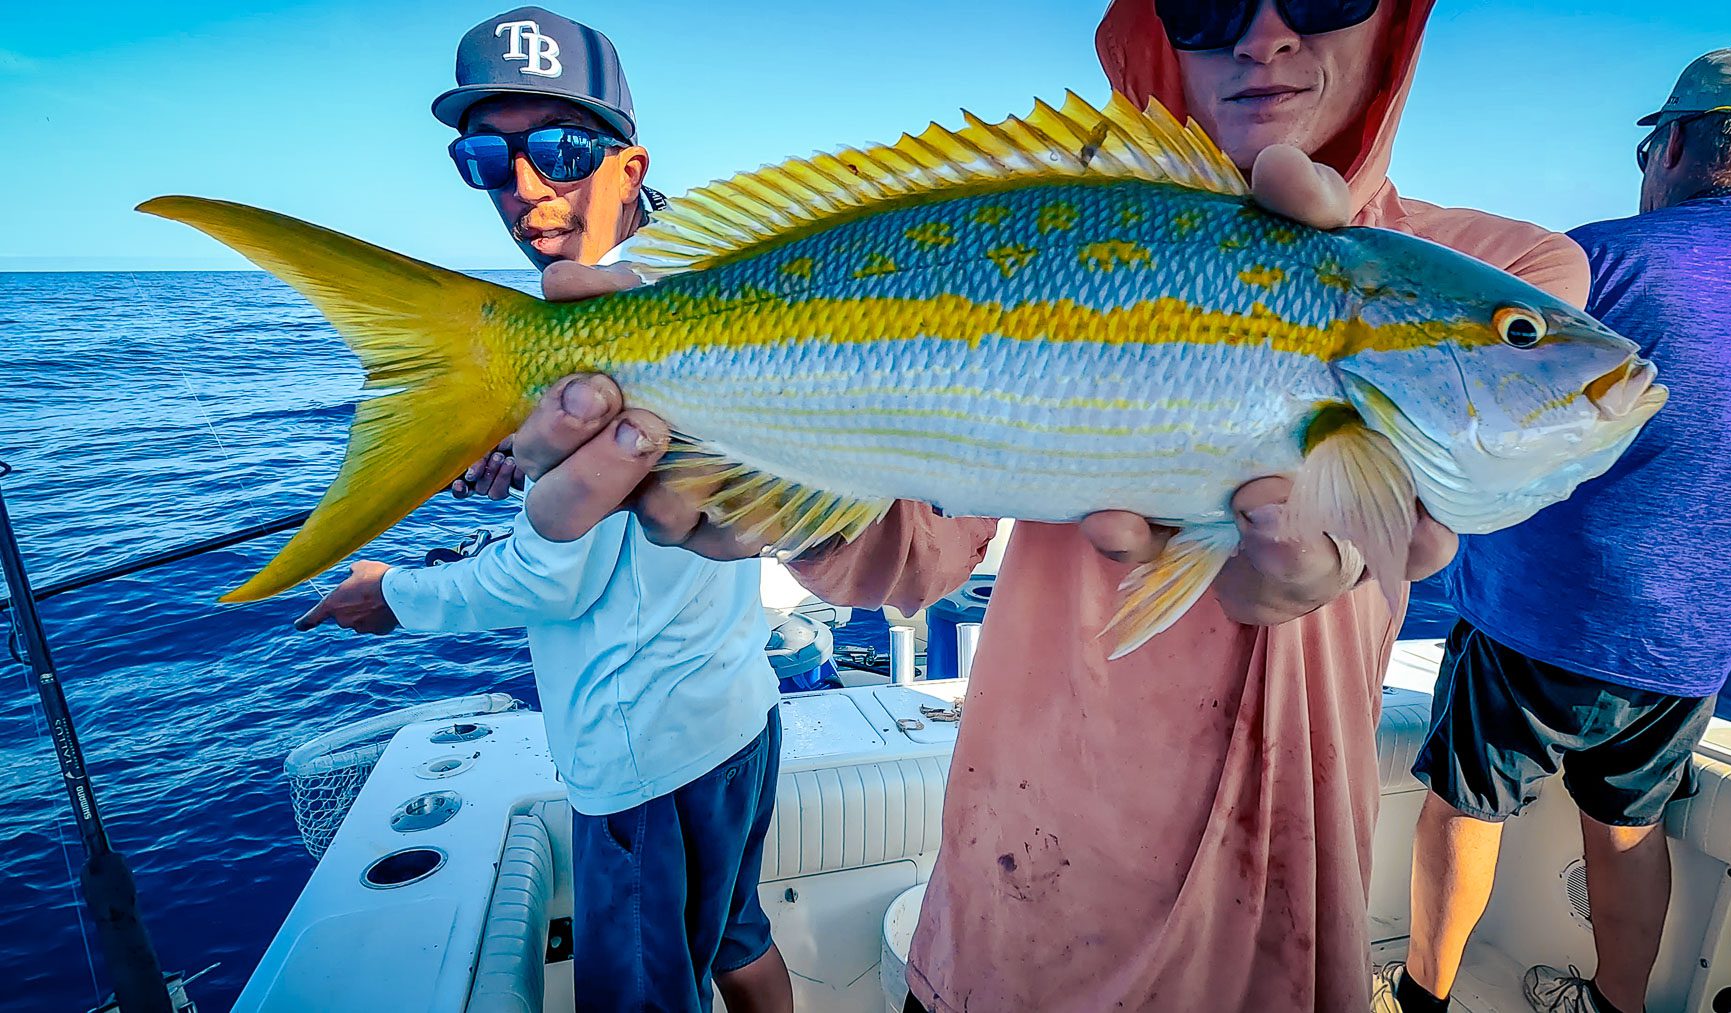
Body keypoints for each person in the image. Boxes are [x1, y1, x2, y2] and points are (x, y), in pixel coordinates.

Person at [511, 0, 1591, 1007]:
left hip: (1292, 922)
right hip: (1016, 900)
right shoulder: (1061, 203)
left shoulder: (1502, 267)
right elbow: (924, 548)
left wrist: (1349, 545)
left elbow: (1419, 480)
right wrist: (790, 492)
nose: (1264, 34)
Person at [295, 8, 793, 1012]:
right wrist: (514, 465)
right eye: (487, 157)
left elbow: (549, 575)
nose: (526, 190)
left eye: (563, 151)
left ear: (626, 161)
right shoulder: (698, 283)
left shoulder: (595, 338)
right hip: (743, 712)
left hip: (644, 761)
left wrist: (392, 594)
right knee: (739, 933)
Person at [1389, 44, 1731, 1013]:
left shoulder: (1600, 260)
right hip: (1700, 633)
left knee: (1465, 806)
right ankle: (1616, 1004)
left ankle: (1422, 999)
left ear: (1675, 145)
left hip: (1536, 613)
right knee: (1628, 825)